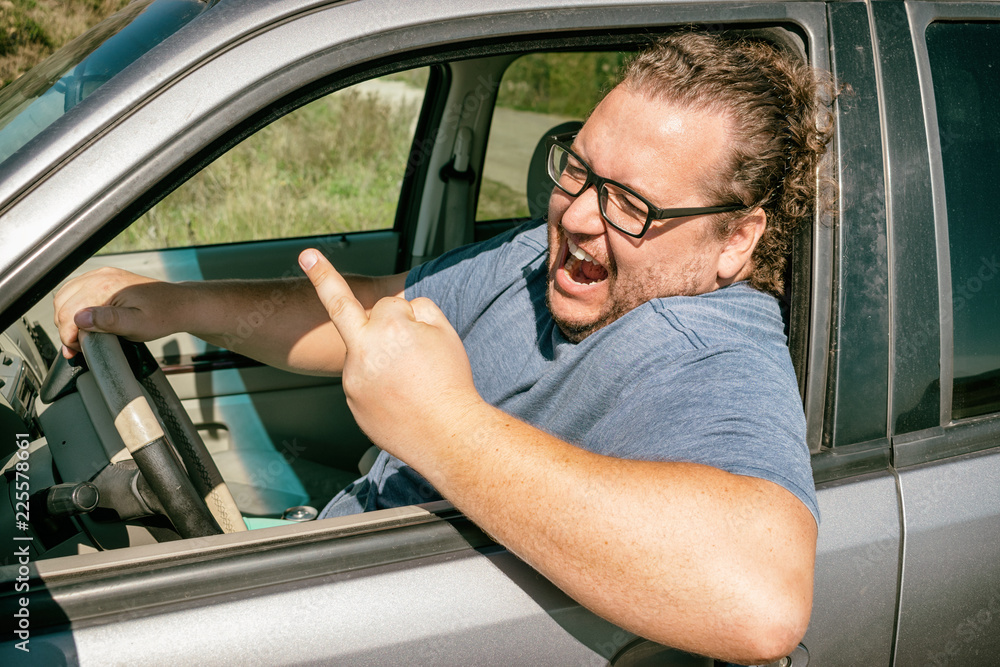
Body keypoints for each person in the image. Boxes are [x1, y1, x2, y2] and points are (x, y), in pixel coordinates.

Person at [54, 31, 834, 665]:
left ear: (737, 238)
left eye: (631, 202)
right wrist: (168, 305)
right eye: (579, 170)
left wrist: (440, 426)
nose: (581, 219)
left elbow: (761, 600)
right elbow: (375, 318)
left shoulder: (713, 348)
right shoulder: (541, 253)